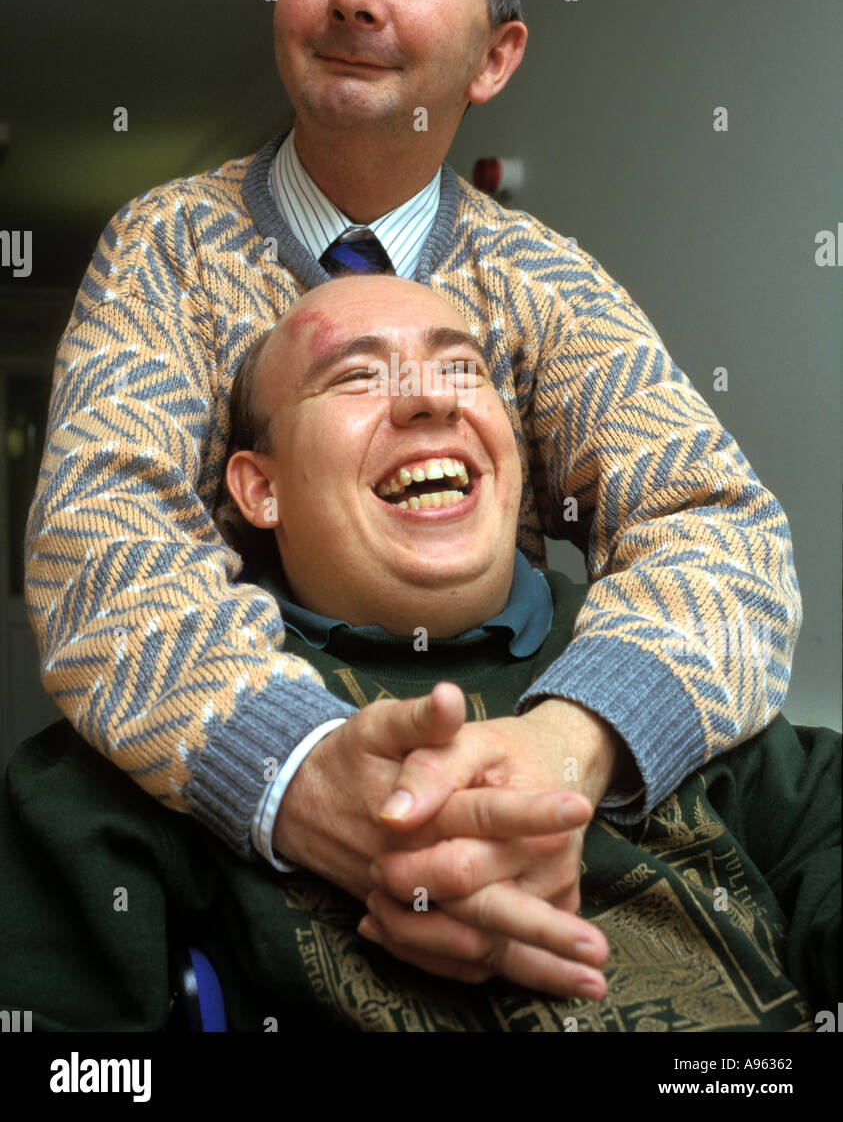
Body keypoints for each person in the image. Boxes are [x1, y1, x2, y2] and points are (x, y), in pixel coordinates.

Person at [23, 0, 801, 980]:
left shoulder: (547, 279)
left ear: (495, 54)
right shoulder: (165, 245)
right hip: (237, 857)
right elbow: (100, 535)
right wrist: (301, 774)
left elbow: (719, 529)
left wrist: (564, 752)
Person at [2, 277, 834, 1032]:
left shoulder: (685, 675)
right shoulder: (146, 759)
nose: (430, 400)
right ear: (262, 488)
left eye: (463, 369)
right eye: (356, 377)